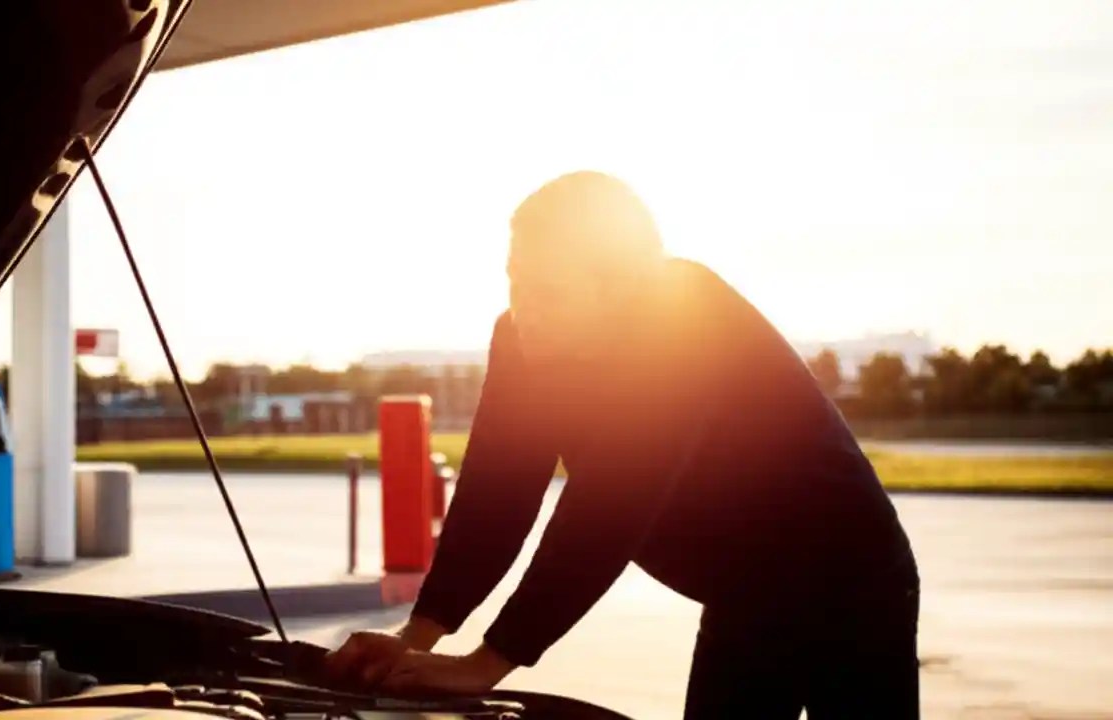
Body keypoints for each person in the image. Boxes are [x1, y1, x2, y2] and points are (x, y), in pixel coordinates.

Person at [324, 171, 921, 719]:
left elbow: (611, 504)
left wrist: (488, 662)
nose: (524, 310)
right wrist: (417, 636)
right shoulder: (520, 337)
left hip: (850, 580)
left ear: (624, 289)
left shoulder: (685, 317)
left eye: (549, 292)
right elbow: (496, 493)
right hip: (743, 595)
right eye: (515, 282)